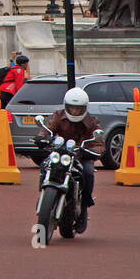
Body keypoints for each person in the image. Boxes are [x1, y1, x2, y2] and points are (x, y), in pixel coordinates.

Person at [41, 87, 103, 233]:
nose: (74, 111)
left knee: (88, 173)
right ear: (66, 106)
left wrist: (93, 150)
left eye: (78, 109)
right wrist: (43, 137)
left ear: (84, 108)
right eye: (72, 108)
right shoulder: (58, 116)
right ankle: (44, 194)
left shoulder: (91, 121)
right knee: (45, 165)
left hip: (81, 156)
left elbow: (99, 143)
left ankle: (84, 206)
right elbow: (48, 129)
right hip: (61, 154)